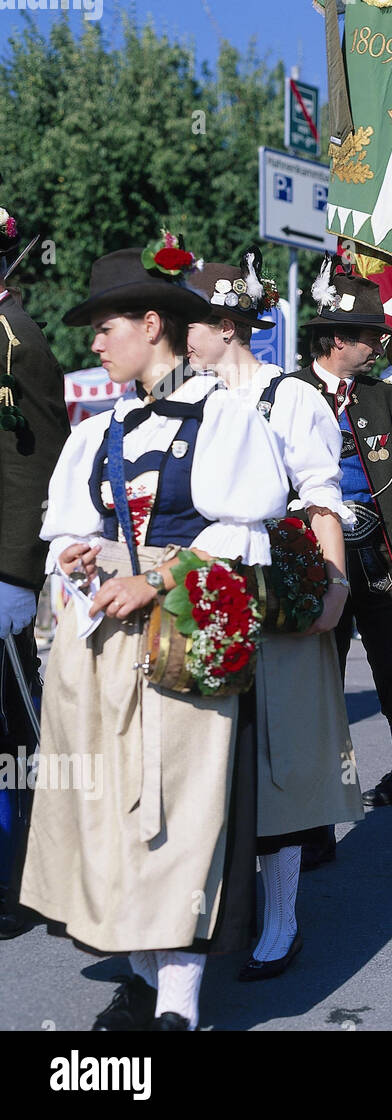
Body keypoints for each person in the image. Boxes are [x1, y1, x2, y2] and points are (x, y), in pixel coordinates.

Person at [21, 237, 288, 1030]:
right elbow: (71, 531)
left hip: (183, 642)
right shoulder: (98, 432)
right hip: (102, 648)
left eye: (106, 327)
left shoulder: (225, 417)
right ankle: (140, 973)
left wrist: (157, 577)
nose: (95, 343)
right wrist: (82, 558)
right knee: (108, 809)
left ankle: (179, 1001)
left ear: (150, 322)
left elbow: (246, 534)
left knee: (175, 809)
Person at [187, 251, 361, 979]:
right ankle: (216, 906)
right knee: (209, 759)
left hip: (276, 591)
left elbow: (322, 498)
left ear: (228, 326)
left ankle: (282, 916)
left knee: (280, 755)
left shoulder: (290, 397)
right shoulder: (182, 393)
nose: (177, 333)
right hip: (198, 595)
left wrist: (335, 592)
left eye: (190, 321)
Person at [290, 259, 392, 878]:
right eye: (370, 336)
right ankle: (315, 825)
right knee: (318, 701)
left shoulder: (390, 399)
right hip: (314, 564)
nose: (382, 344)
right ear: (337, 341)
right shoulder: (289, 395)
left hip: (386, 566)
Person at [0, 203, 70, 941]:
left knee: (22, 739)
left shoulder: (18, 341)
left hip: (3, 569)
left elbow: (37, 465)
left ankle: (29, 882)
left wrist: (18, 573)